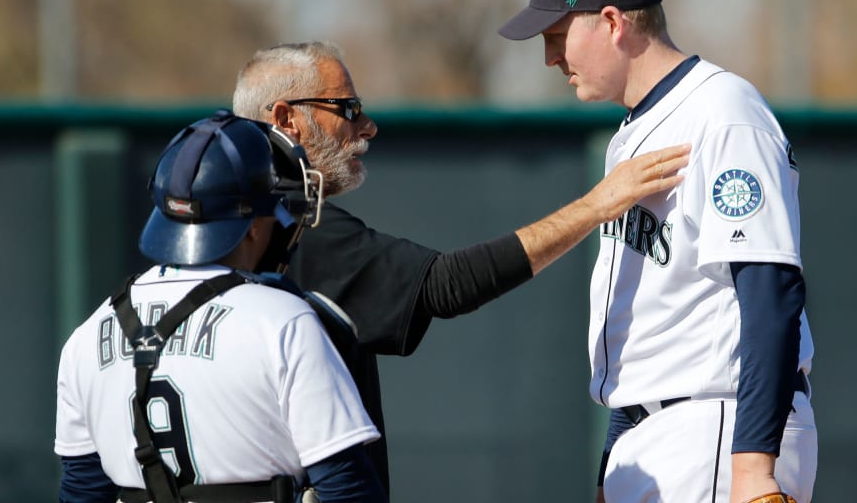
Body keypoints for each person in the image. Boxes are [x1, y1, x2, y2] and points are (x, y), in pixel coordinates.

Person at [231, 41, 691, 493]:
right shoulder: (295, 226)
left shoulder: (216, 232)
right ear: (286, 119)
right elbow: (446, 284)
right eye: (347, 109)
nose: (366, 127)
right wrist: (595, 206)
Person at [498, 0, 817, 503]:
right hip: (655, 433)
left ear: (613, 22)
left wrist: (752, 470)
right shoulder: (629, 136)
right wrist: (613, 462)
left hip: (718, 428)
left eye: (556, 36)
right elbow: (642, 326)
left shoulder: (723, 112)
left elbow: (771, 291)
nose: (549, 57)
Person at [54, 111, 387, 503]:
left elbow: (82, 492)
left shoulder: (88, 336)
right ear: (251, 224)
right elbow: (348, 489)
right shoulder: (283, 321)